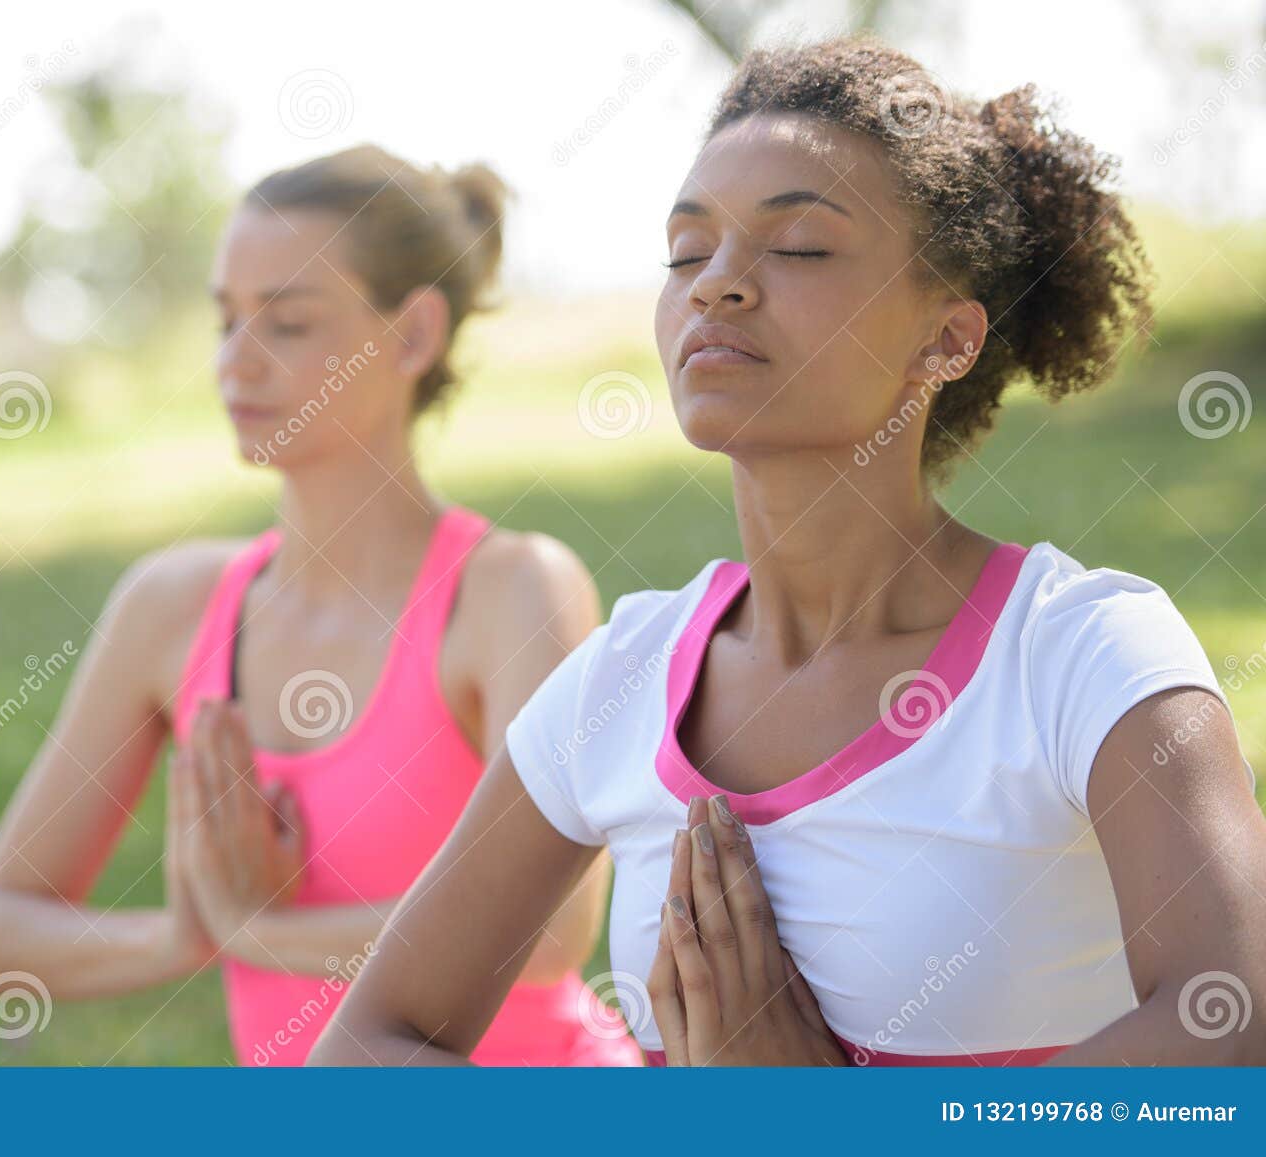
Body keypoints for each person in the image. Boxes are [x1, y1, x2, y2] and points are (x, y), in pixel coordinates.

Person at [309, 37, 1266, 1067]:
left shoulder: (1080, 655)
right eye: (686, 252)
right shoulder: (620, 679)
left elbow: (1234, 1026)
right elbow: (367, 1044)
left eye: (798, 247)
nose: (717, 283)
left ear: (946, 340)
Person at [0, 144, 642, 1067]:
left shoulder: (512, 592)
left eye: (289, 324)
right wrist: (184, 935)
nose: (236, 360)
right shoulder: (170, 606)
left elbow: (548, 935)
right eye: (227, 320)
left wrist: (257, 930)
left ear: (413, 335)